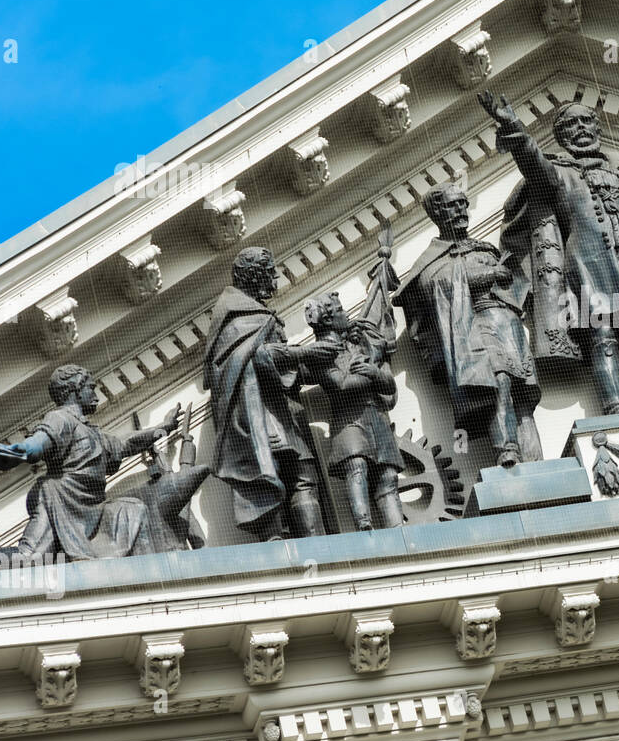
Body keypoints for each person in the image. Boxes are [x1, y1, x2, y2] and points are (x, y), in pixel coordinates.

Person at [478, 91, 619, 414]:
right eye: (572, 124)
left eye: (587, 121)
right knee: (603, 333)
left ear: (597, 129)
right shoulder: (559, 173)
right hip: (585, 267)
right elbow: (532, 161)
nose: (581, 128)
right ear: (561, 136)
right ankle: (615, 404)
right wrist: (513, 125)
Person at [394, 183, 542, 467]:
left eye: (463, 203)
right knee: (498, 382)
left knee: (522, 393)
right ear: (437, 212)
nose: (462, 210)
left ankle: (535, 460)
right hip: (473, 328)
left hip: (506, 322)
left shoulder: (483, 247)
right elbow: (434, 287)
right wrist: (488, 275)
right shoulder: (433, 260)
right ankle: (506, 450)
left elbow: (514, 282)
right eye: (453, 205)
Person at [0, 365, 182, 560]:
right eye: (91, 387)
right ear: (74, 389)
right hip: (59, 500)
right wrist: (11, 453)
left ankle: (148, 585)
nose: (95, 394)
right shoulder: (60, 419)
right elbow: (36, 446)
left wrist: (165, 428)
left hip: (91, 507)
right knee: (29, 558)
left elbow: (127, 444)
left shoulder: (93, 434)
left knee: (134, 510)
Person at [203, 247, 340, 541]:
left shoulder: (257, 315)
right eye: (269, 271)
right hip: (260, 420)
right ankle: (279, 544)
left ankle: (317, 544)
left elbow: (284, 374)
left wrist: (320, 364)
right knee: (276, 476)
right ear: (252, 276)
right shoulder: (236, 319)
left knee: (304, 475)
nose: (275, 277)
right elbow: (258, 357)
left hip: (283, 413)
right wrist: (305, 352)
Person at [303, 292, 406, 529]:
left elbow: (389, 385)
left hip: (376, 417)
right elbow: (341, 385)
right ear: (328, 320)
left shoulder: (358, 344)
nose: (346, 315)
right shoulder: (321, 354)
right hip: (349, 419)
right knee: (356, 467)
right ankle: (363, 524)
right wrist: (370, 374)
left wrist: (374, 372)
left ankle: (397, 529)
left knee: (388, 477)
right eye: (340, 311)